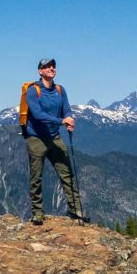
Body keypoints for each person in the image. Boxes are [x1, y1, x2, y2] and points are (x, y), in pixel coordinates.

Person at [22, 58, 86, 225]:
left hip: (54, 137)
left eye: (53, 66)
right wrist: (61, 121)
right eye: (47, 66)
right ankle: (37, 213)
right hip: (36, 138)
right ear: (40, 71)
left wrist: (69, 118)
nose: (51, 68)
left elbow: (66, 108)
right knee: (36, 177)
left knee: (67, 173)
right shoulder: (32, 91)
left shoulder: (60, 90)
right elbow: (37, 115)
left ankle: (76, 210)